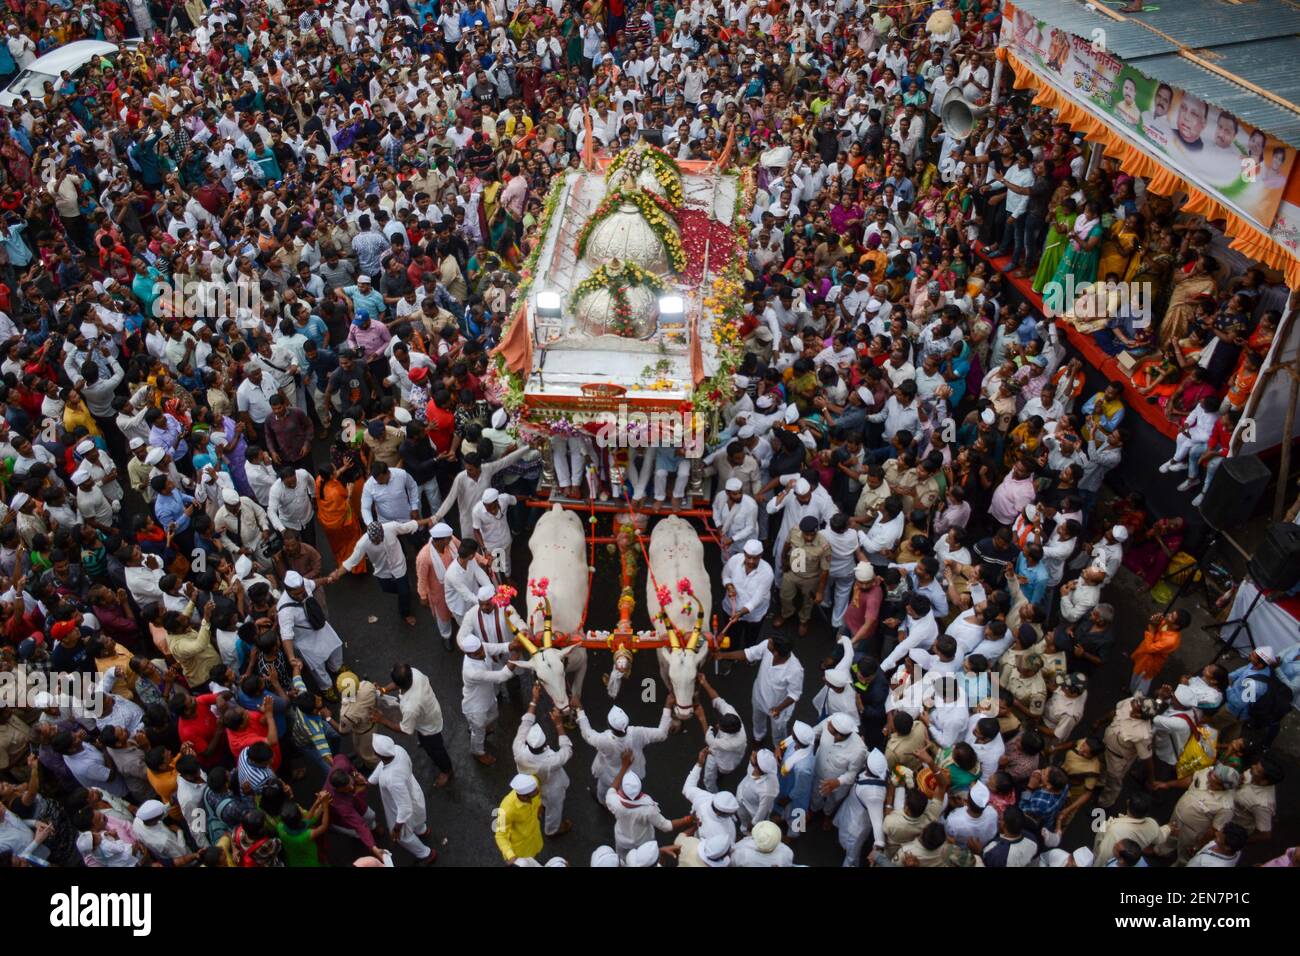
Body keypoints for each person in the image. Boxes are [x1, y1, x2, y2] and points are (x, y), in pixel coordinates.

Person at [512, 685, 574, 838]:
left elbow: (525, 724)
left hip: (532, 786)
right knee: (555, 808)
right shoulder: (550, 761)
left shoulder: (518, 749)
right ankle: (552, 830)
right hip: (550, 786)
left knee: (539, 799)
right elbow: (567, 750)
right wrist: (559, 725)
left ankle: (541, 806)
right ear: (545, 744)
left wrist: (534, 699)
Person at [368, 735, 437, 865]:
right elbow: (383, 765)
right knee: (418, 818)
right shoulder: (397, 750)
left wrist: (396, 829)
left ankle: (426, 854)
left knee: (404, 837)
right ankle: (422, 831)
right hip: (413, 793)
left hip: (400, 808)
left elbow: (405, 808)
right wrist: (370, 782)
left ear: (377, 754)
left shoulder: (392, 779)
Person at [494, 774, 544, 865]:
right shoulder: (505, 809)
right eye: (536, 792)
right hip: (521, 849)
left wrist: (539, 809)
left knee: (536, 858)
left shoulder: (534, 784)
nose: (538, 791)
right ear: (524, 797)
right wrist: (510, 856)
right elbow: (500, 835)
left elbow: (538, 800)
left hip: (535, 838)